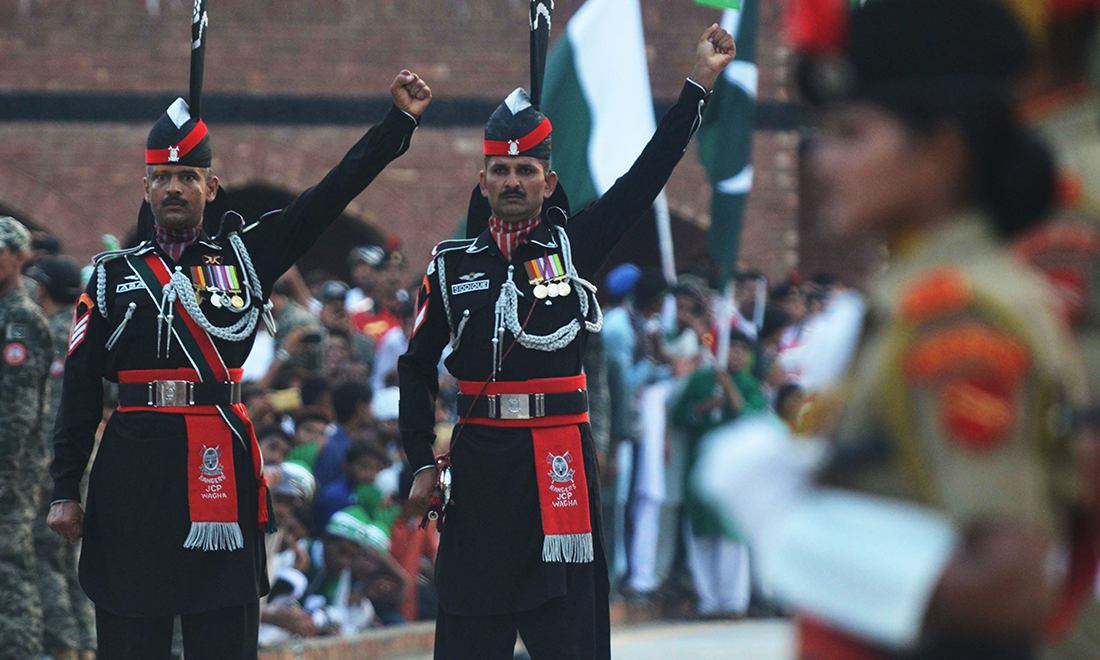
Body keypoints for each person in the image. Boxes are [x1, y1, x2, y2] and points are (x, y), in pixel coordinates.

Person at [697, 0, 1098, 657]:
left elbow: (1010, 585)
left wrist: (801, 538)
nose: (825, 161)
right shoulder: (919, 298)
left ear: (939, 154)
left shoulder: (958, 311)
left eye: (854, 135)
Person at [46, 69, 432, 659]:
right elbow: (77, 387)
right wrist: (65, 487)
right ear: (146, 187)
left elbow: (327, 198)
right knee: (131, 634)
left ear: (212, 185)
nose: (174, 188)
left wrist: (396, 125)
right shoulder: (110, 277)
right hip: (134, 472)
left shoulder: (245, 257)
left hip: (217, 469)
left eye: (187, 177)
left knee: (222, 636)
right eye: (163, 177)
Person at [399, 25, 735, 660]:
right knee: (471, 631)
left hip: (559, 466)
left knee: (572, 637)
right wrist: (420, 459)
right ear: (483, 180)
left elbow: (645, 178)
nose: (513, 181)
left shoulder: (574, 250)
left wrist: (699, 84)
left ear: (549, 183)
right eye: (500, 170)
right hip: (480, 469)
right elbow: (414, 368)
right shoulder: (448, 266)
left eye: (527, 169)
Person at [25, 255, 96, 660]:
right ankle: (85, 642)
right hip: (83, 454)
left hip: (50, 461)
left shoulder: (43, 333)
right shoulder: (85, 327)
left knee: (45, 549)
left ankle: (66, 643)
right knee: (72, 554)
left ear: (42, 288)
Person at [672, 329, 763, 618]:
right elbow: (678, 416)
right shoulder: (700, 380)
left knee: (731, 535)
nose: (736, 354)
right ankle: (708, 601)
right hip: (700, 467)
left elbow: (754, 419)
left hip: (736, 474)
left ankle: (734, 601)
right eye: (731, 348)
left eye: (741, 349)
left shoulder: (748, 384)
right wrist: (703, 408)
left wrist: (730, 391)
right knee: (700, 536)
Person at [0, 216, 53, 660]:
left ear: (19, 257)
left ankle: (22, 650)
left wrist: (7, 470)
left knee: (9, 562)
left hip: (9, 469)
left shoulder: (22, 318)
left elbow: (19, 410)